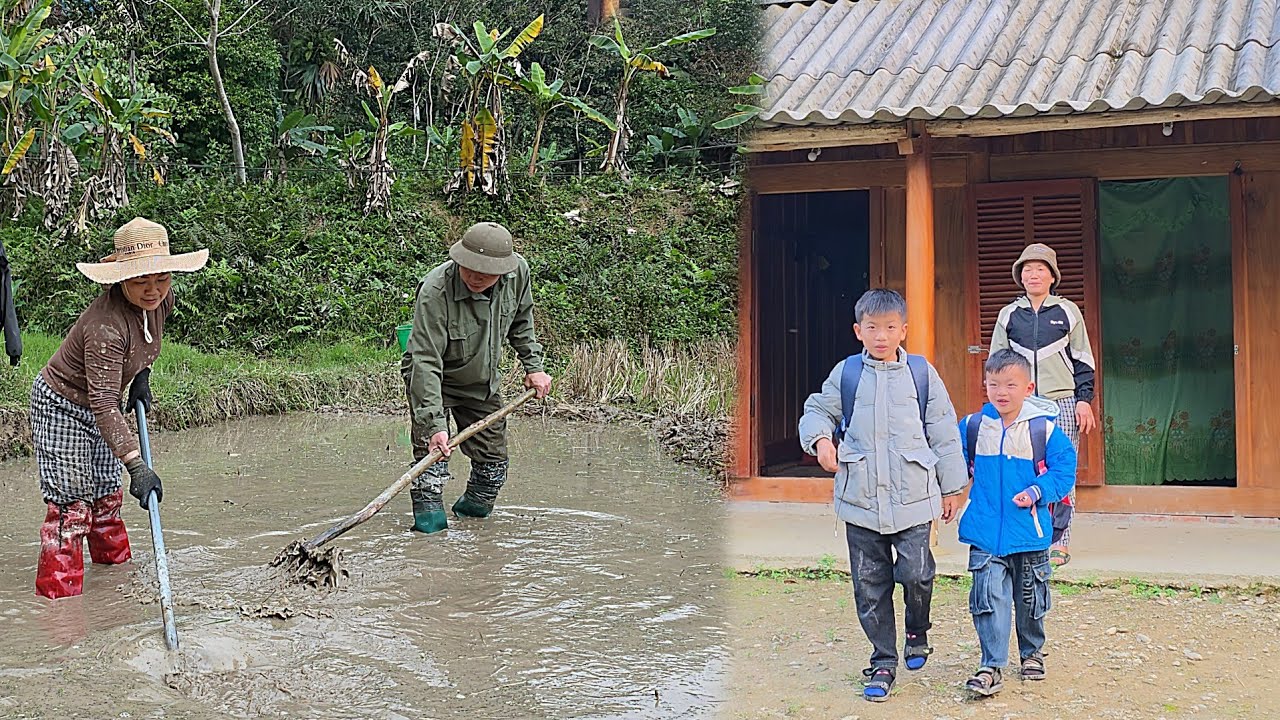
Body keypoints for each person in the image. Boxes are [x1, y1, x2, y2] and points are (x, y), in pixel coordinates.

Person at [797, 288, 967, 703]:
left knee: (917, 573)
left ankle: (917, 630)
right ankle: (883, 661)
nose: (881, 336)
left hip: (913, 499)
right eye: (872, 328)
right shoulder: (847, 374)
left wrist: (952, 488)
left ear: (903, 330)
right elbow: (818, 410)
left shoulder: (921, 374)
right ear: (858, 331)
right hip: (860, 500)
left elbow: (944, 432)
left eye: (890, 327)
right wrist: (821, 440)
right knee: (869, 586)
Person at [33, 217, 208, 600]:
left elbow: (146, 340)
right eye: (141, 280)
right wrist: (137, 467)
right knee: (72, 507)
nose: (153, 289)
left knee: (106, 498)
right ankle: (59, 606)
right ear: (121, 279)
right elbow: (103, 404)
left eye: (161, 278)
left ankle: (114, 588)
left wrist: (142, 374)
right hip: (63, 403)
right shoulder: (105, 327)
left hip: (102, 403)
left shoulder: (161, 301)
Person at [401, 221, 552, 534]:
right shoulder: (435, 291)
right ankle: (428, 539)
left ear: (503, 270)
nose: (474, 277)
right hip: (434, 380)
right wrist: (434, 425)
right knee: (431, 467)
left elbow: (522, 322)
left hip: (482, 384)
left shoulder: (518, 274)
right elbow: (425, 360)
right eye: (468, 268)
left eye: (484, 273)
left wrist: (533, 366)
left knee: (493, 468)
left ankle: (473, 528)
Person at [957, 349, 1077, 696]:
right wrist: (948, 495)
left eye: (1011, 385)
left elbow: (1064, 470)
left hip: (1030, 531)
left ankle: (1031, 653)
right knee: (987, 599)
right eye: (994, 384)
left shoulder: (1043, 430)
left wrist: (1037, 491)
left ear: (1029, 388)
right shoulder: (973, 427)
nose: (1002, 392)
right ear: (985, 385)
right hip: (984, 531)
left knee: (1031, 600)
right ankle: (990, 666)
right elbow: (951, 463)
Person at [990, 243, 1095, 567]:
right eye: (1027, 269)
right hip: (1021, 403)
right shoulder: (1009, 314)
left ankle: (1059, 540)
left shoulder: (1067, 311)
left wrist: (1084, 400)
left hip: (1062, 401)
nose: (1033, 275)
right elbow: (997, 361)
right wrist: (1001, 403)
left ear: (1052, 276)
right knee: (1020, 469)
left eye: (1040, 269)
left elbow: (1083, 359)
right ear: (1020, 276)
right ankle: (1027, 535)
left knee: (1062, 470)